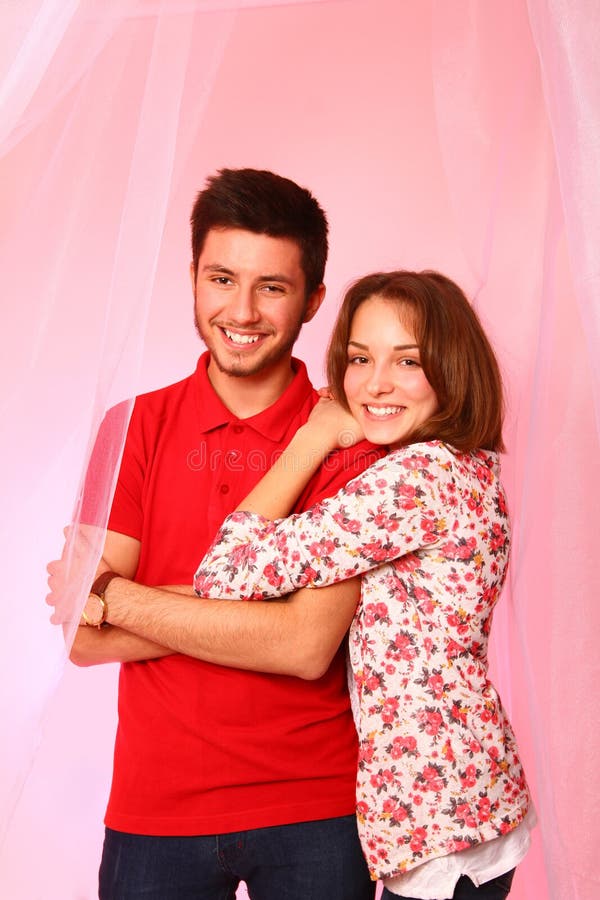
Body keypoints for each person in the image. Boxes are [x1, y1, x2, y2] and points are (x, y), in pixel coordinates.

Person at [51, 168, 379, 900]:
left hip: (316, 807)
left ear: (314, 299)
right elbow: (81, 635)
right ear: (193, 277)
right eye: (222, 277)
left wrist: (121, 596)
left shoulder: (348, 436)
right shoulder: (133, 426)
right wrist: (262, 615)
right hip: (153, 810)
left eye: (272, 286)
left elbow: (305, 647)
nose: (242, 309)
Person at [187, 270, 536, 898]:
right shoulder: (470, 465)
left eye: (408, 361)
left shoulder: (414, 479)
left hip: (439, 822)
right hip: (471, 796)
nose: (374, 384)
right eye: (359, 358)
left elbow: (223, 570)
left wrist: (314, 435)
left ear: (452, 368)